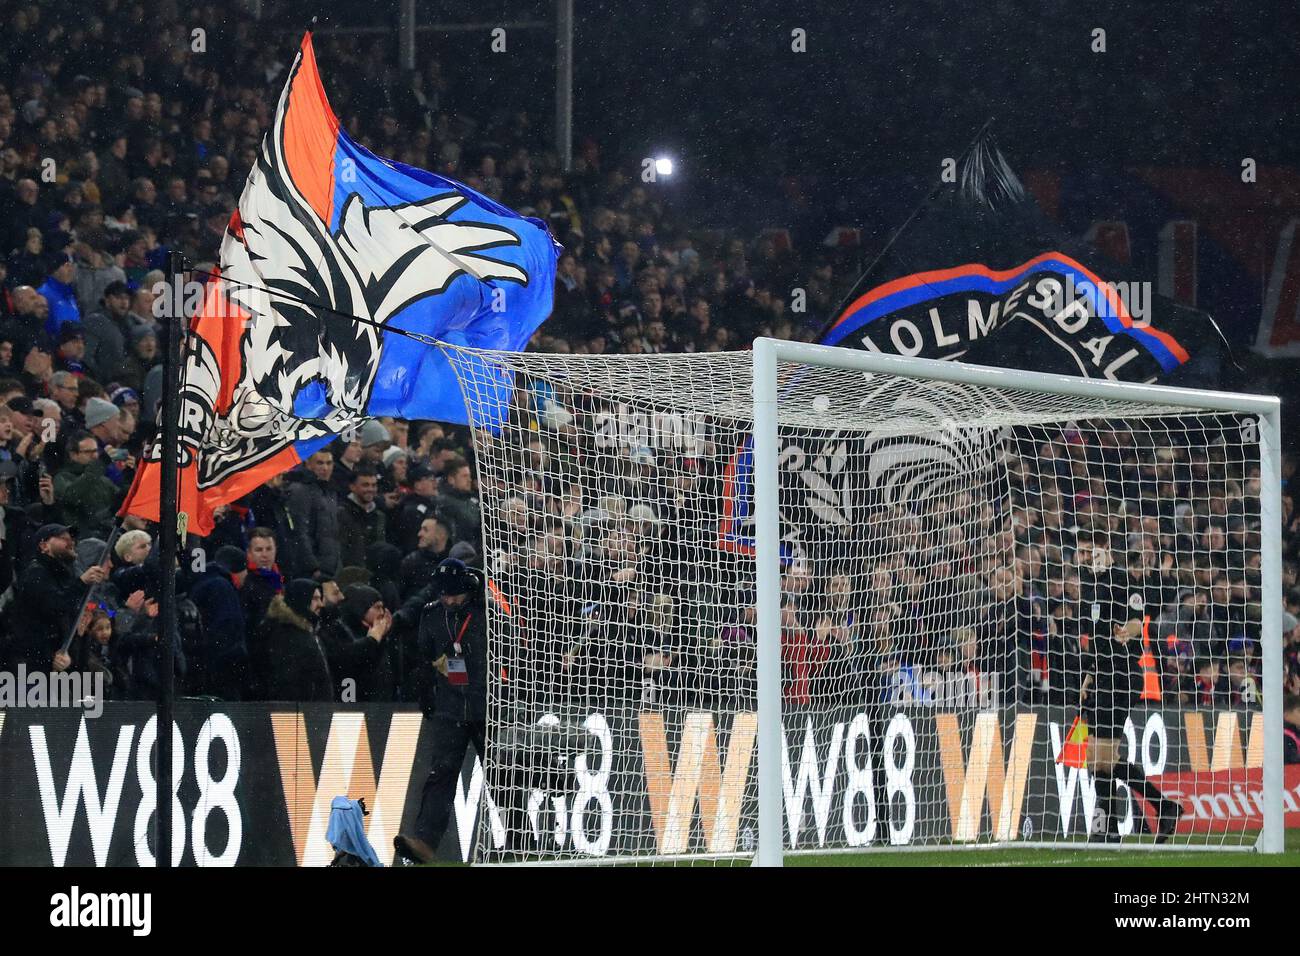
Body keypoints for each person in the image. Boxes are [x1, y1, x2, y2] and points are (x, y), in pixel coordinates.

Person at [394, 559, 488, 863]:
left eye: (455, 595)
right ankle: (424, 841)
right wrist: (425, 694)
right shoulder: (431, 615)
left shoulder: (485, 612)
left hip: (487, 707)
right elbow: (422, 659)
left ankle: (519, 838)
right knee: (440, 775)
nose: (449, 600)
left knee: (502, 775)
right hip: (449, 708)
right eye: (445, 595)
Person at [1082, 608, 1182, 842]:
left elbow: (1137, 620)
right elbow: (1099, 642)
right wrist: (1090, 674)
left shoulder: (1119, 578)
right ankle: (1110, 829)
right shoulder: (1091, 584)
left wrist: (1128, 630)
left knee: (1105, 758)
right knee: (1096, 758)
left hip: (1121, 675)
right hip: (1102, 675)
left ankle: (1112, 827)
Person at [10, 524, 106, 671]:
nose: (71, 542)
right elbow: (54, 606)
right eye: (63, 538)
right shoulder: (36, 573)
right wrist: (82, 583)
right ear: (44, 546)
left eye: (72, 539)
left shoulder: (63, 575)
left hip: (54, 664)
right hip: (32, 666)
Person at [261, 579, 335, 701]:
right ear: (302, 600)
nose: (321, 604)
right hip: (299, 716)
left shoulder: (307, 632)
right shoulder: (289, 637)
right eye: (315, 599)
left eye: (320, 598)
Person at [319, 584, 395, 702]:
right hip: (348, 704)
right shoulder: (337, 630)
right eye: (377, 607)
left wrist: (381, 638)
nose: (381, 612)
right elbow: (349, 662)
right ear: (360, 608)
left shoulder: (375, 633)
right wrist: (372, 640)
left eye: (382, 608)